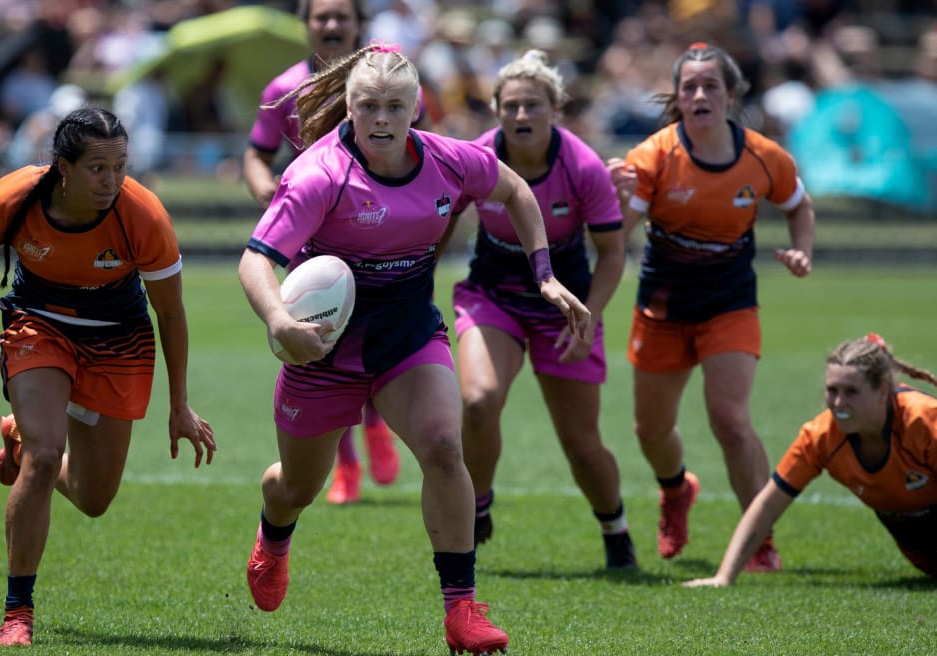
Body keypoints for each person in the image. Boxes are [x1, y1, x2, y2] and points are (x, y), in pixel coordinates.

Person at [237, 44, 592, 654]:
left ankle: (462, 611)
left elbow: (516, 192)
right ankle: (274, 532)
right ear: (348, 108)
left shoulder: (450, 160)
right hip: (322, 350)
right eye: (368, 105)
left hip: (406, 335)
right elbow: (256, 260)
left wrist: (544, 273)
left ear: (416, 109)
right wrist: (280, 322)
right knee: (296, 486)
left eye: (395, 106)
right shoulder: (319, 175)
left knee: (445, 447)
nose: (381, 118)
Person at [0, 107, 216, 647]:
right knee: (43, 455)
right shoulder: (12, 198)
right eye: (97, 169)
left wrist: (179, 405)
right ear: (63, 166)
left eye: (120, 167)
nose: (111, 182)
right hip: (37, 325)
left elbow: (171, 314)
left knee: (93, 497)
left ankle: (15, 437)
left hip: (118, 337)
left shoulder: (143, 216)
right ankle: (18, 612)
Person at [607, 41, 815, 569]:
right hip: (663, 305)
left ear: (731, 95)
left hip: (729, 304)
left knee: (730, 419)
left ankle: (759, 543)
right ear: (678, 98)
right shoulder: (653, 156)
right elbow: (613, 238)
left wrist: (801, 251)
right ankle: (676, 490)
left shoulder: (764, 157)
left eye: (710, 86)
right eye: (689, 87)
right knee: (649, 431)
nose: (699, 95)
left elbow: (798, 205)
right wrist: (615, 197)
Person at [454, 50, 636, 569]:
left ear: (554, 108)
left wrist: (591, 319)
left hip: (568, 309)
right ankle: (479, 502)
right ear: (495, 110)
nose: (521, 116)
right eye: (510, 105)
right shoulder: (477, 158)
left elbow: (613, 251)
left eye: (532, 104)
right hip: (493, 297)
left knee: (581, 445)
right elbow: (440, 219)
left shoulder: (581, 167)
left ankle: (615, 528)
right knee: (479, 400)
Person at [242, 0, 403, 504]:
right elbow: (256, 154)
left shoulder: (388, 74)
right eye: (321, 17)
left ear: (359, 24)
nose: (331, 26)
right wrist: (266, 188)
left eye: (341, 17)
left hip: (385, 232)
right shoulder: (284, 90)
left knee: (382, 344)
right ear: (305, 24)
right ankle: (348, 467)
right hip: (318, 245)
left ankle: (377, 423)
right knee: (326, 348)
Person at [685, 334, 937, 586]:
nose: (838, 403)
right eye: (832, 391)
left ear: (883, 391)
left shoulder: (923, 421)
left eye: (851, 392)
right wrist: (724, 577)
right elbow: (767, 505)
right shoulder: (821, 437)